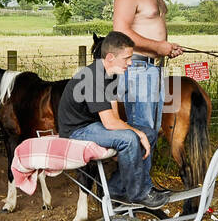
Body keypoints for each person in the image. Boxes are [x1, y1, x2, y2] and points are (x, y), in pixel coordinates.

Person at [57, 31, 170, 208]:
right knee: (129, 138)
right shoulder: (93, 77)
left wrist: (140, 134)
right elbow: (110, 123)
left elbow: (114, 115)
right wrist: (135, 134)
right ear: (110, 57)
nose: (130, 63)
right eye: (127, 58)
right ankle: (138, 193)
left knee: (149, 133)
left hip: (96, 126)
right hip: (77, 131)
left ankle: (116, 189)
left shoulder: (113, 73)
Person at [112, 0, 185, 189]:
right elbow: (121, 32)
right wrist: (158, 47)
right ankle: (128, 188)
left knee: (152, 132)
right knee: (142, 131)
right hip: (137, 70)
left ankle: (138, 185)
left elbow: (152, 30)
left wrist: (166, 49)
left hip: (153, 68)